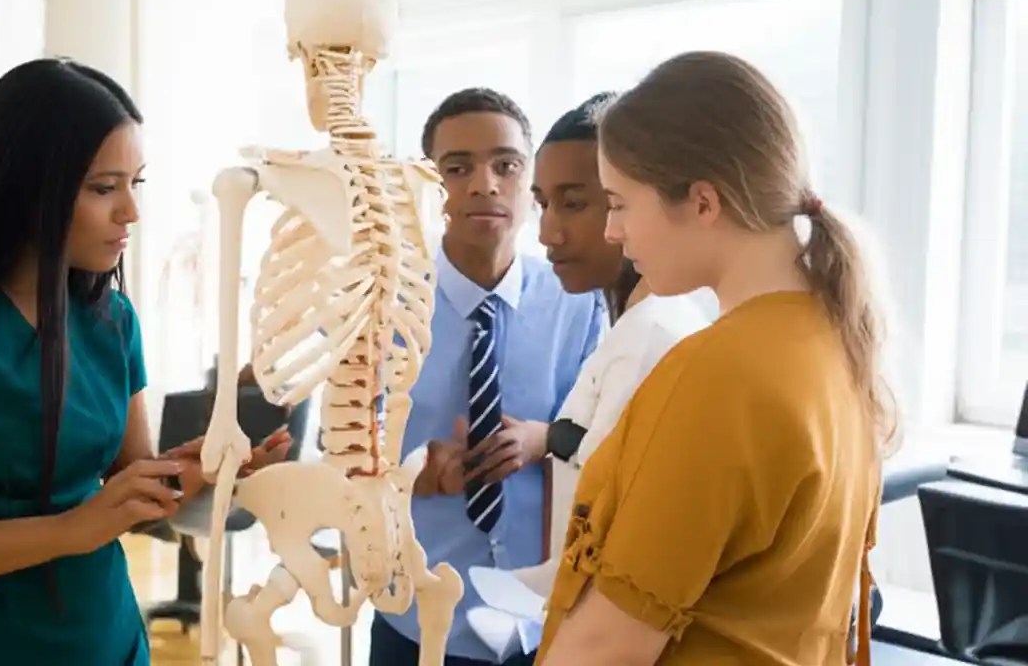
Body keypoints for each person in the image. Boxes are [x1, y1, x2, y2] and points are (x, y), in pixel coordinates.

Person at [0, 58, 278, 666]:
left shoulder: (111, 320)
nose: (131, 212)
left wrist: (197, 473)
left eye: (135, 184)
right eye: (103, 188)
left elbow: (131, 498)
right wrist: (70, 530)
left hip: (108, 641)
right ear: (25, 187)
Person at [536, 51, 898, 666]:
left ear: (703, 203)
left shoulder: (716, 374)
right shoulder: (833, 341)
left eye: (620, 204)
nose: (612, 232)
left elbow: (609, 644)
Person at [370, 87, 604, 666]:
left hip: (540, 616)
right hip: (417, 616)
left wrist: (543, 439)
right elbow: (346, 448)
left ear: (531, 182)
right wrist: (410, 474)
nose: (484, 184)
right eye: (457, 168)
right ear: (431, 183)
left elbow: (608, 431)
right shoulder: (381, 305)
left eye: (506, 165)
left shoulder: (579, 300)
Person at [467, 92, 712, 616]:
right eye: (543, 204)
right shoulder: (632, 328)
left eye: (574, 203)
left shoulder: (652, 337)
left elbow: (623, 553)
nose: (547, 232)